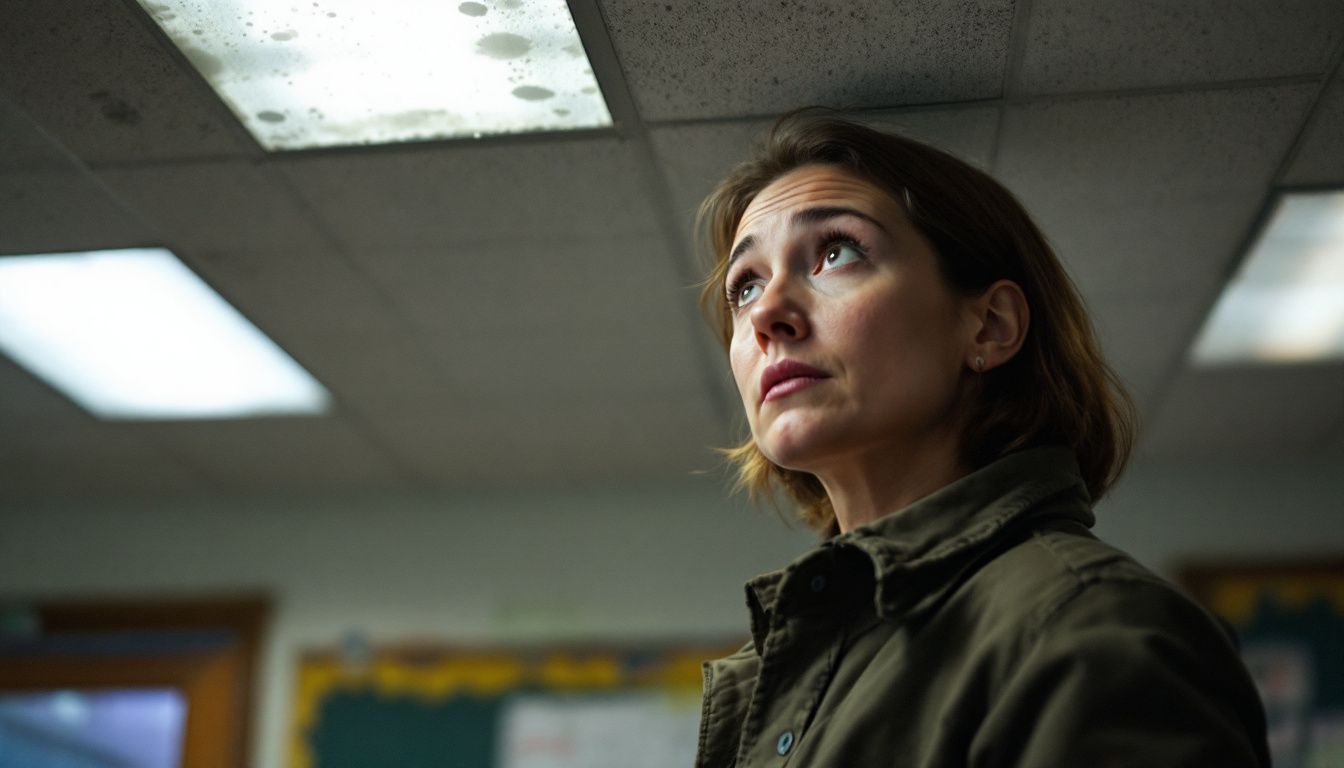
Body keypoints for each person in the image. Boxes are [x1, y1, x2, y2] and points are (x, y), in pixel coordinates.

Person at [693, 110, 1269, 767]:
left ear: (990, 326)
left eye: (835, 252)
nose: (767, 313)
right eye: (746, 286)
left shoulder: (1091, 628)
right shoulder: (803, 666)